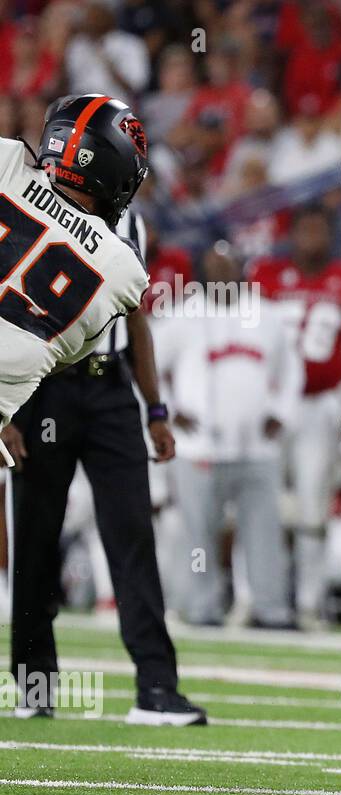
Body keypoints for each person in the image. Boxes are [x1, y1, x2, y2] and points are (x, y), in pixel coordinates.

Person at [4, 92, 204, 724]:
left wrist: (155, 406)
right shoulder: (112, 244)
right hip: (47, 389)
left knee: (131, 534)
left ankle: (155, 687)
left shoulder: (23, 176)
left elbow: (136, 323)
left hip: (106, 386)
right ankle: (35, 687)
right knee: (37, 541)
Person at [155, 244, 301, 629]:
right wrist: (167, 409)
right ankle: (202, 608)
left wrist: (281, 413)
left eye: (226, 265)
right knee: (198, 533)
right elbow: (148, 364)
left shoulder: (267, 315)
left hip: (257, 447)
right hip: (198, 446)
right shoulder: (182, 314)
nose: (219, 273)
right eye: (212, 266)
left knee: (264, 531)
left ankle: (271, 609)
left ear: (241, 268)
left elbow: (292, 369)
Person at [248, 206, 341, 627]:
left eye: (320, 229)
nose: (312, 237)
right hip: (272, 405)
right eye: (305, 228)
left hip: (321, 402)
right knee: (258, 502)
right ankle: (256, 598)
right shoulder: (266, 275)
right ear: (293, 233)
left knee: (313, 505)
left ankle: (308, 602)